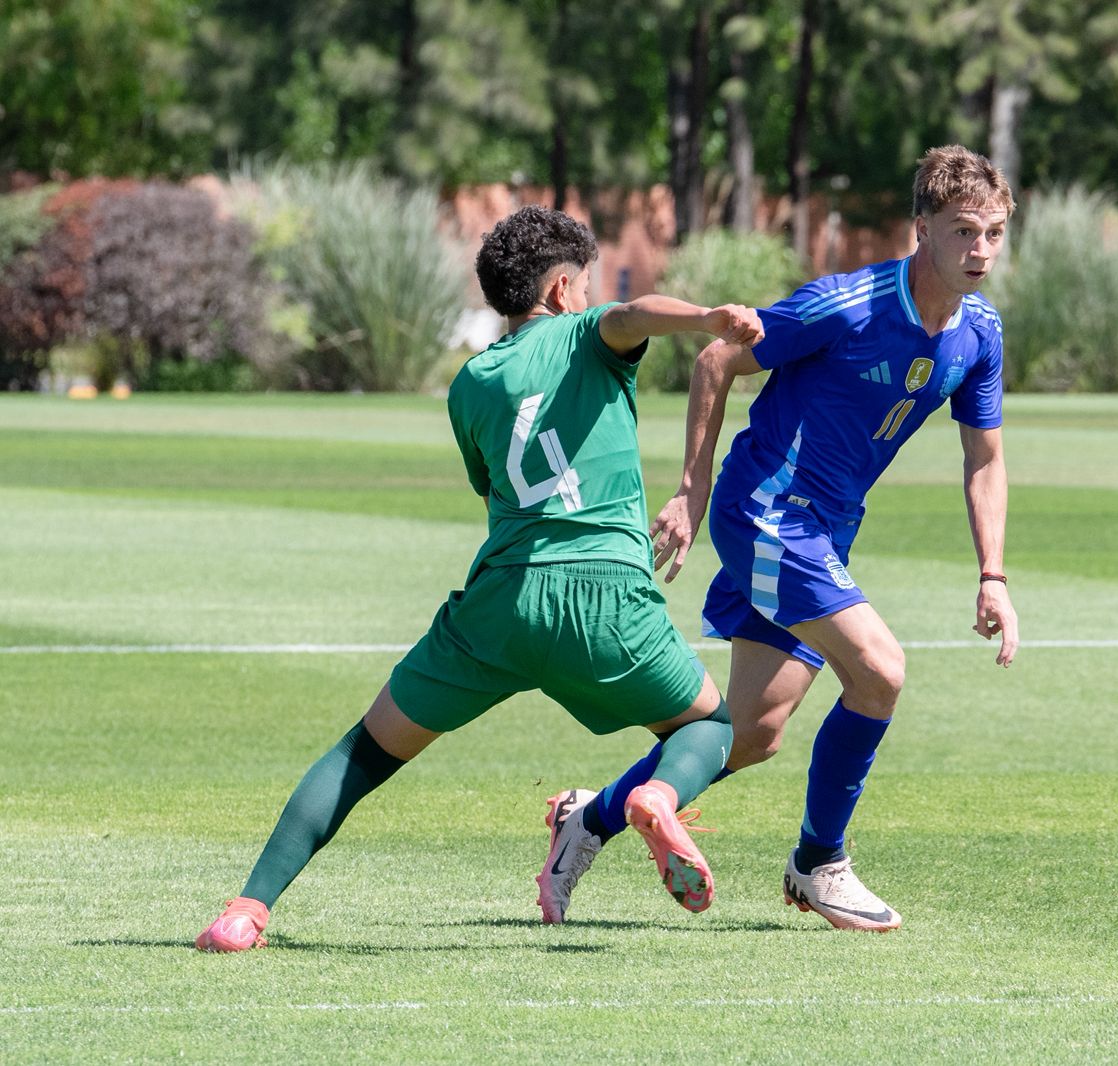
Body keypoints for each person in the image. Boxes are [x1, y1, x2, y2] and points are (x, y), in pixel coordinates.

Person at [195, 205, 764, 951]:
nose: (589, 300)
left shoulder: (471, 385)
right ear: (562, 290)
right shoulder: (582, 332)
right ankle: (655, 794)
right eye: (583, 286)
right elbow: (633, 314)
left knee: (363, 753)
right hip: (606, 598)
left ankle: (246, 910)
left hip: (502, 602)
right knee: (712, 726)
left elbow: (495, 488)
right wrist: (704, 316)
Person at [550, 145, 1019, 933]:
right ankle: (819, 863)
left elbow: (985, 459)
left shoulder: (979, 334)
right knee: (879, 672)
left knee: (753, 732)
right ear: (922, 229)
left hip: (823, 533)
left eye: (996, 233)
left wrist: (993, 575)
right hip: (765, 510)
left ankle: (590, 817)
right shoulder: (847, 304)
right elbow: (716, 357)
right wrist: (691, 491)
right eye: (964, 231)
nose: (981, 251)